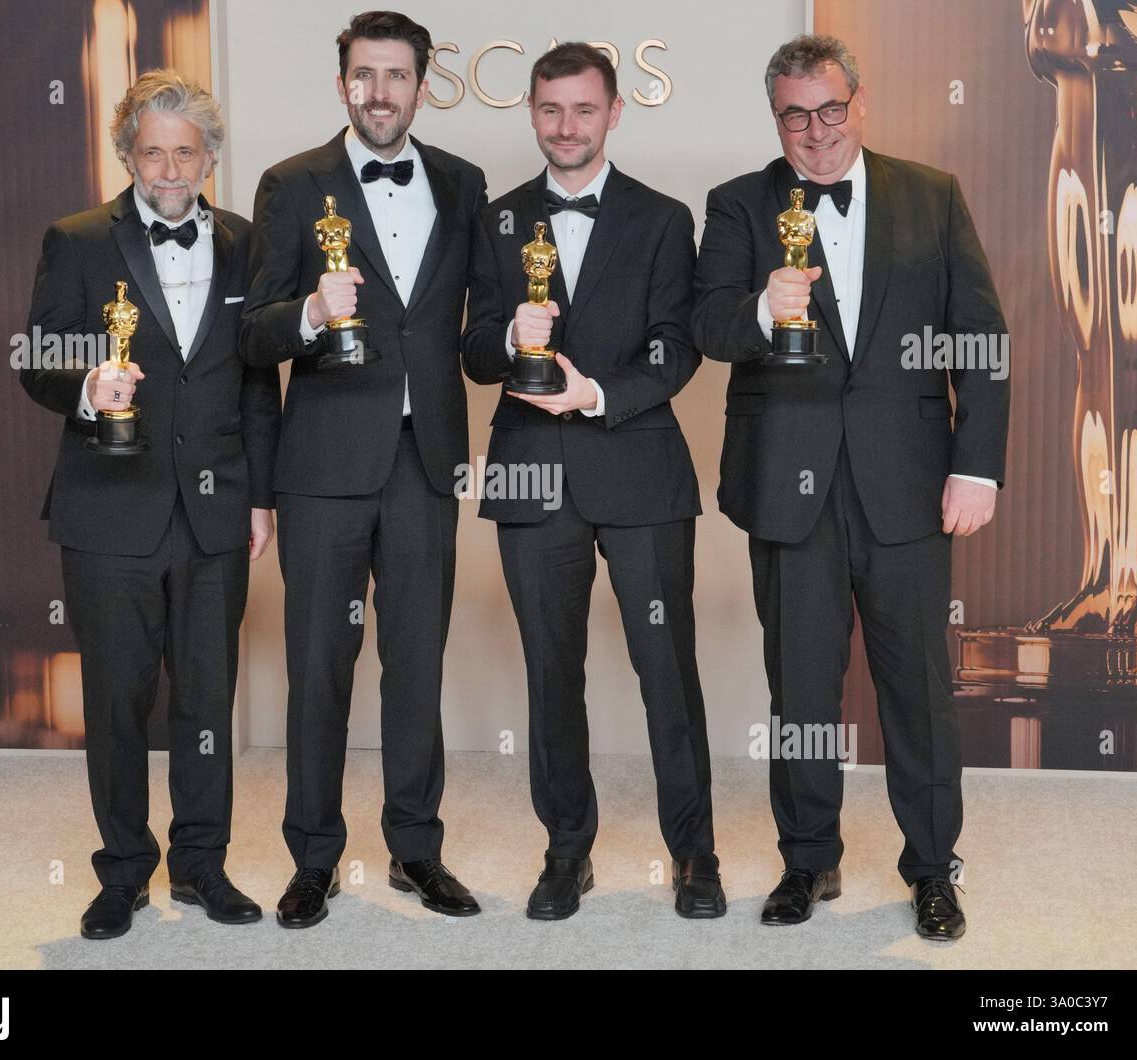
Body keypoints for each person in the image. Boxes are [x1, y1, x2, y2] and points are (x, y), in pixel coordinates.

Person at [692, 34, 1010, 940]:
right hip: (788, 492)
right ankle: (808, 861)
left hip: (909, 487)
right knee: (800, 693)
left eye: (831, 109)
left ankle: (931, 868)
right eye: (796, 114)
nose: (817, 131)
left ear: (857, 103)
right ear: (776, 118)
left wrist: (976, 465)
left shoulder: (929, 195)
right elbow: (707, 325)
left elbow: (978, 341)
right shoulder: (738, 204)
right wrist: (762, 308)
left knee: (918, 692)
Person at [462, 43, 723, 921]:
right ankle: (567, 850)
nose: (565, 126)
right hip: (532, 477)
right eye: (549, 110)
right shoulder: (496, 222)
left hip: (640, 470)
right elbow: (470, 349)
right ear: (530, 113)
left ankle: (695, 855)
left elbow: (676, 346)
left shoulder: (662, 217)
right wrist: (506, 341)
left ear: (614, 113)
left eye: (582, 109)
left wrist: (598, 395)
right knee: (550, 670)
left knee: (667, 670)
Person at [241, 10, 488, 928]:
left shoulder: (464, 185)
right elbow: (253, 332)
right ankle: (312, 858)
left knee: (415, 663)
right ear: (340, 83)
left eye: (396, 76)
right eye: (363, 75)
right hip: (324, 468)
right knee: (320, 666)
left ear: (425, 83)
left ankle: (416, 851)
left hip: (425, 465)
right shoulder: (291, 183)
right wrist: (308, 308)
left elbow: (474, 320)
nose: (380, 92)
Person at [21, 69, 280, 939]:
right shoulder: (78, 238)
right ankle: (124, 872)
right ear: (127, 152)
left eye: (186, 151)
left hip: (216, 510)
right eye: (152, 151)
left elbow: (256, 383)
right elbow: (38, 357)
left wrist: (261, 499)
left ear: (209, 155)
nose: (170, 168)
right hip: (110, 511)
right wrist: (90, 384)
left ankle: (202, 866)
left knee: (208, 701)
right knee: (119, 700)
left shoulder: (247, 242)